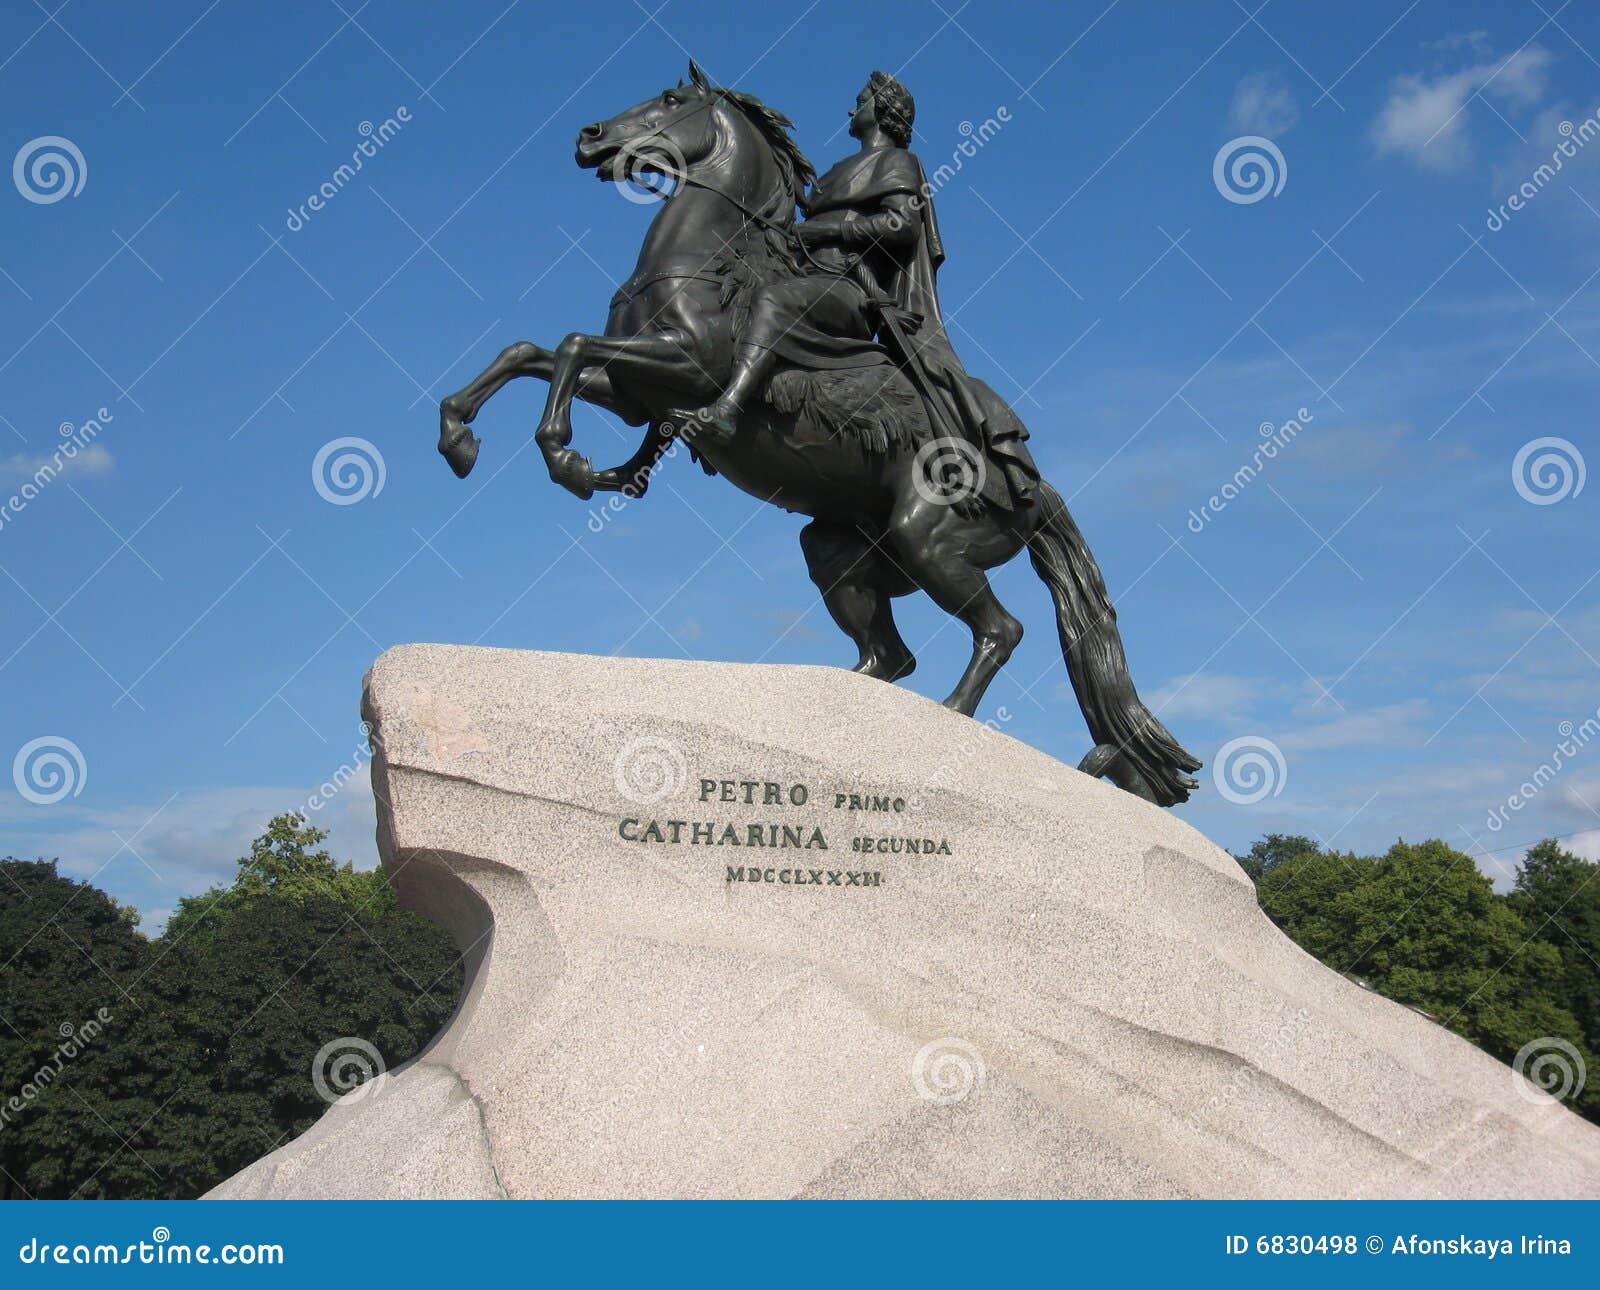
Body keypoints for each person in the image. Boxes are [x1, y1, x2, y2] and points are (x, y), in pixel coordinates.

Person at [680, 71, 1038, 506]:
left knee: (771, 301)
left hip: (850, 291)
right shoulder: (835, 172)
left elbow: (902, 225)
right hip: (807, 278)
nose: (852, 109)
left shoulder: (898, 162)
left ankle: (730, 407)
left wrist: (832, 229)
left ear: (883, 110)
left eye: (861, 100)